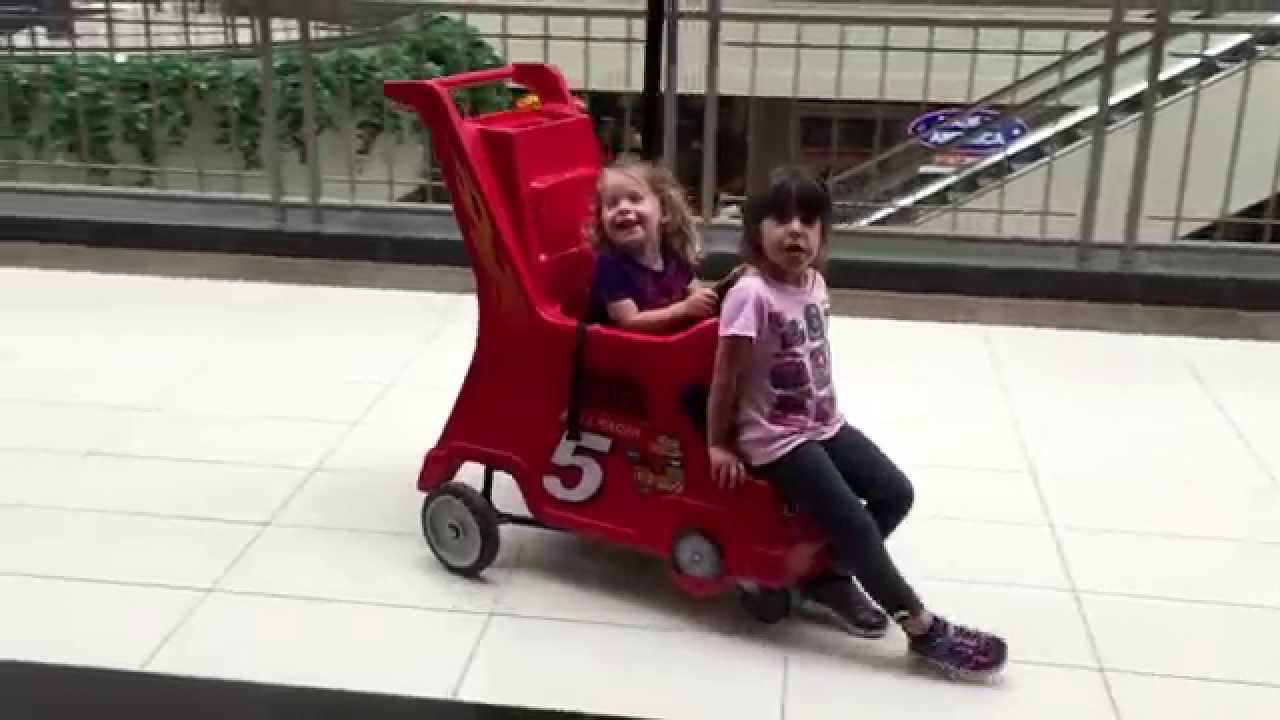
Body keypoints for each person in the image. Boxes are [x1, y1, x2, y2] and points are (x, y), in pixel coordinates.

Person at [705, 166, 1008, 681]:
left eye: (808, 219)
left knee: (896, 493)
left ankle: (823, 573)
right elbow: (725, 378)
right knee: (854, 522)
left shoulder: (815, 284)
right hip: (775, 440)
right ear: (756, 232)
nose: (795, 229)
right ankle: (920, 626)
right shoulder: (750, 297)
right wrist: (718, 445)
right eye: (780, 219)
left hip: (823, 423)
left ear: (823, 234)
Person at [588, 159, 719, 333]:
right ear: (601, 220)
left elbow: (694, 291)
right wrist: (683, 310)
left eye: (635, 199)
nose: (623, 208)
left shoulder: (673, 255)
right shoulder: (610, 267)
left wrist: (706, 300)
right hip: (628, 354)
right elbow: (629, 322)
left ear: (664, 211)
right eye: (612, 204)